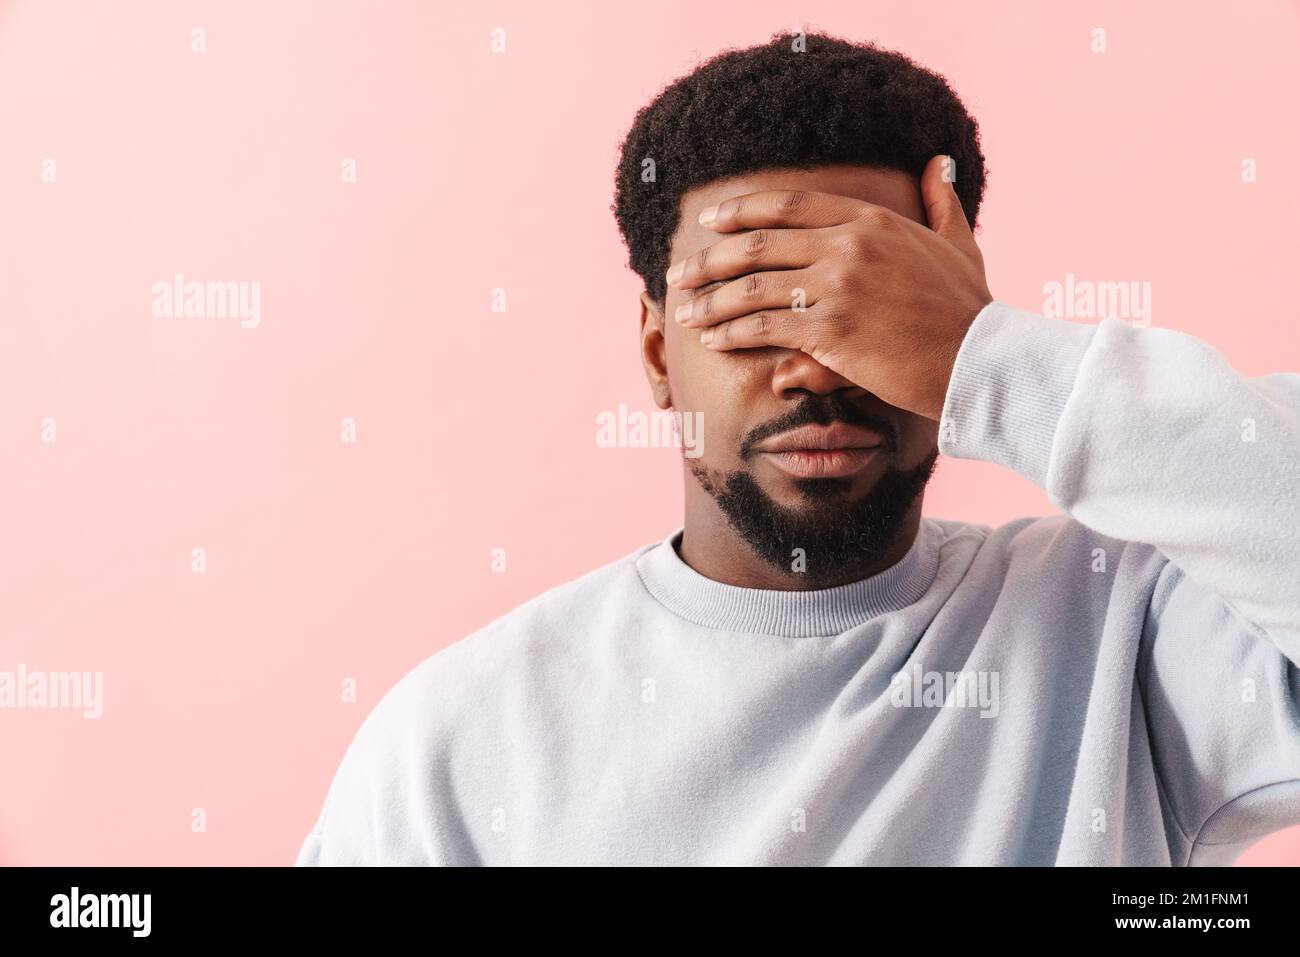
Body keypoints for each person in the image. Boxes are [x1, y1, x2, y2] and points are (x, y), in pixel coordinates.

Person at [296, 31, 1300, 866]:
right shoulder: (462, 738)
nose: (817, 368)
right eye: (755, 305)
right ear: (658, 353)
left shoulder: (1125, 628)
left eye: (870, 302)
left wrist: (991, 361)